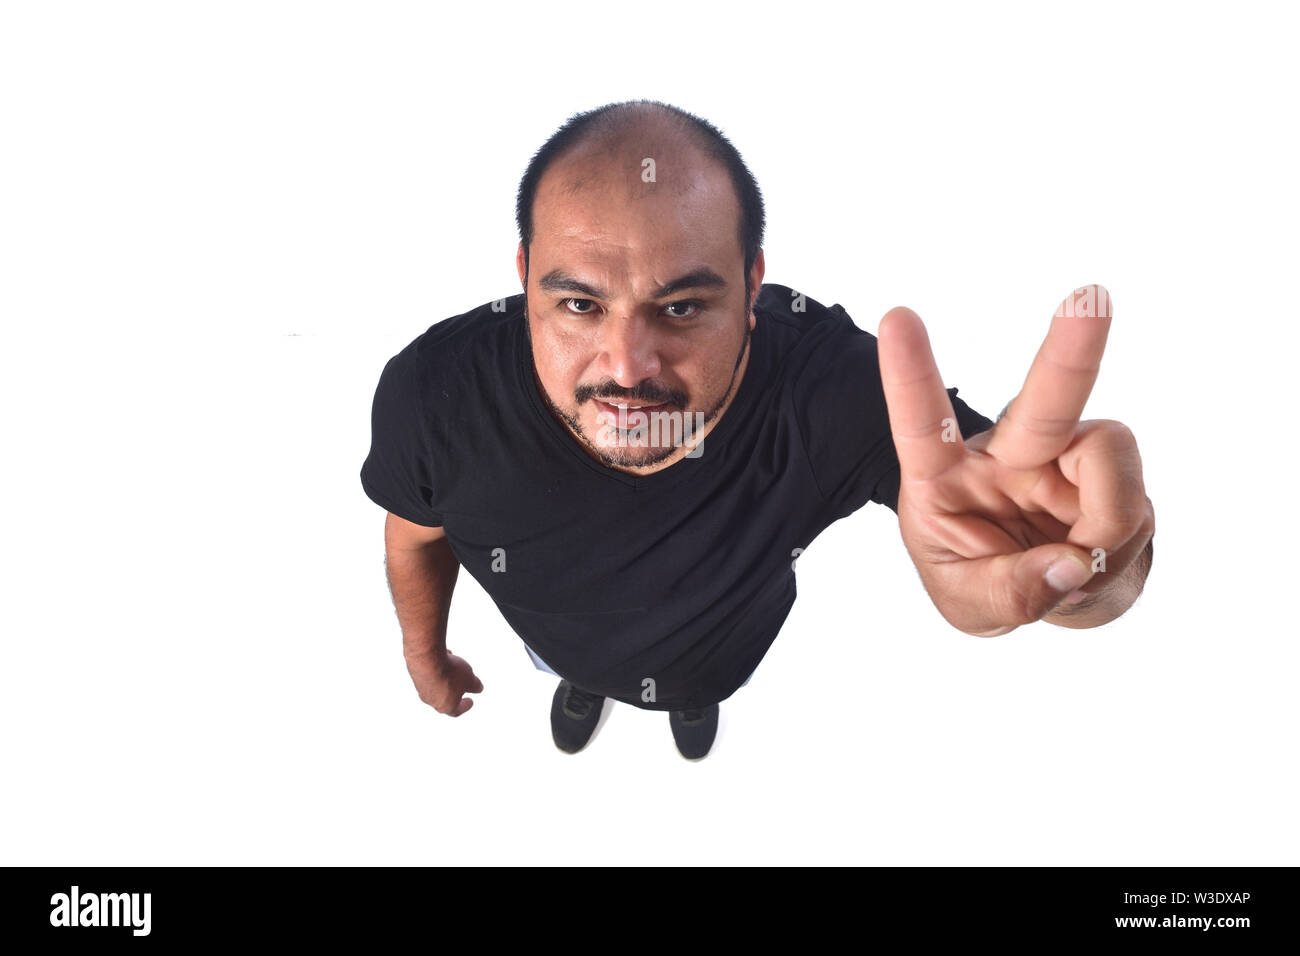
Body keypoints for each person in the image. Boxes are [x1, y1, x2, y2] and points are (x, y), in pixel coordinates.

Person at [360, 99, 1155, 760]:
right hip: (553, 641)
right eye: (579, 304)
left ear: (752, 287)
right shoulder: (434, 393)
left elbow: (1025, 511)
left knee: (695, 692)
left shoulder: (835, 388)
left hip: (722, 654)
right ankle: (586, 683)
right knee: (579, 668)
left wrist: (1083, 570)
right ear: (525, 273)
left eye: (681, 307)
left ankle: (688, 704)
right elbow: (414, 534)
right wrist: (422, 652)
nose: (628, 366)